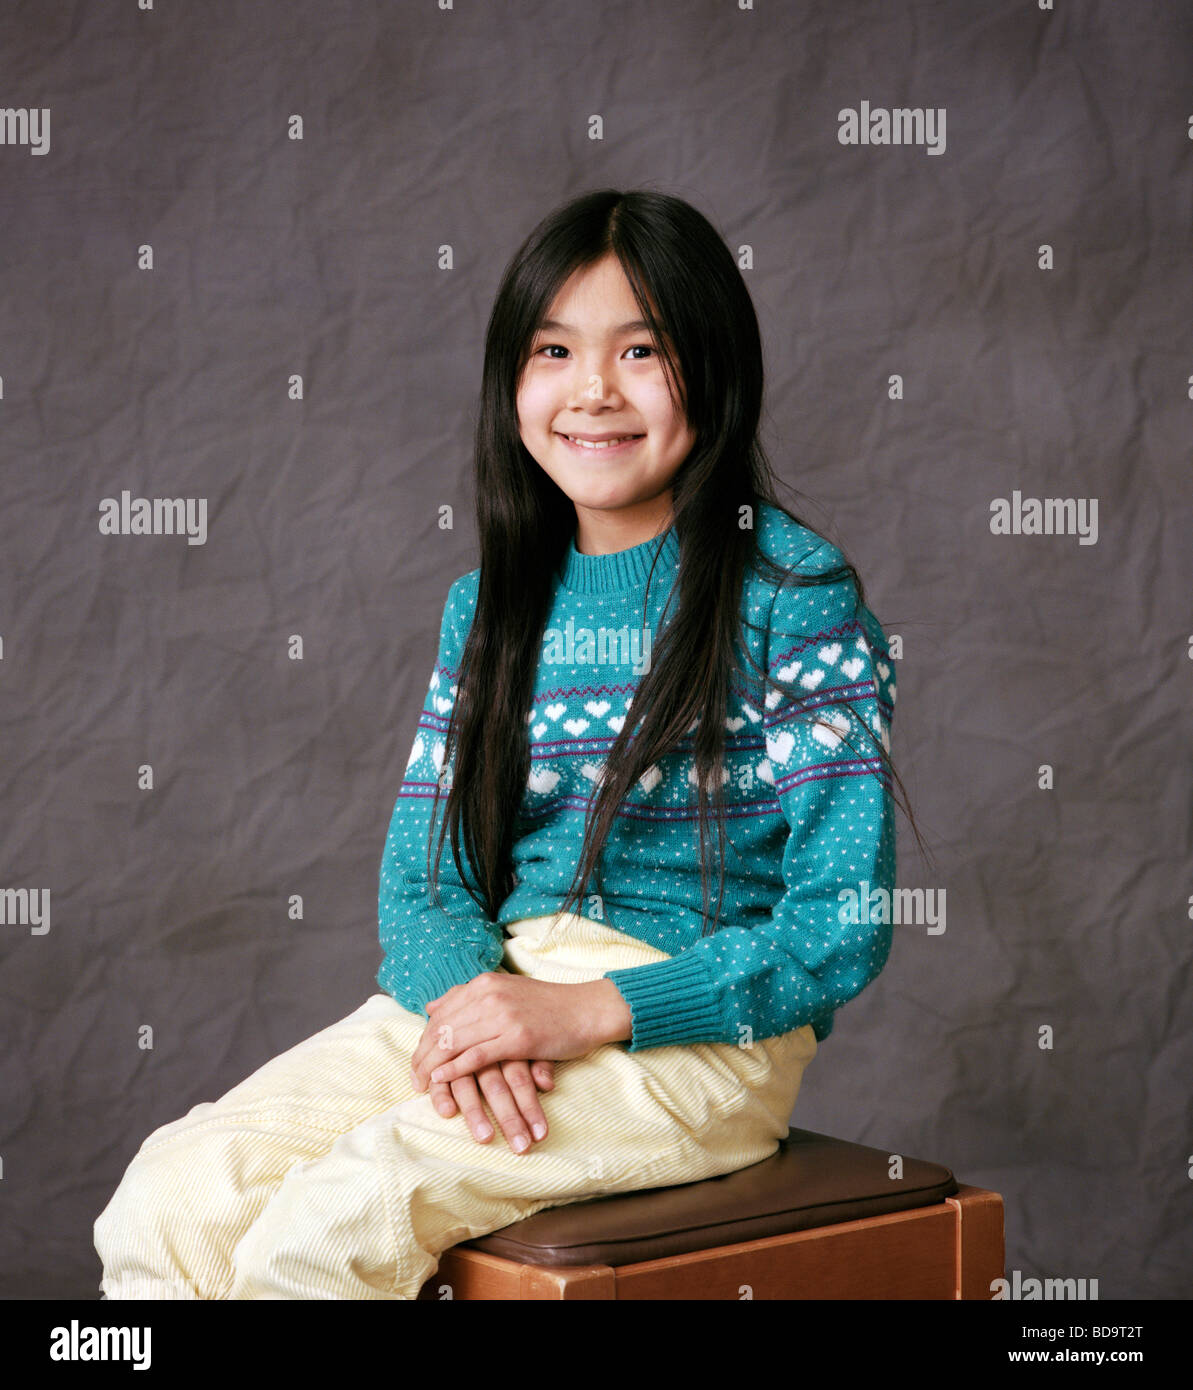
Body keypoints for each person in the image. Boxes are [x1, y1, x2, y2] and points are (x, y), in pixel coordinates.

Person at [94, 188, 913, 1300]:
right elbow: (421, 879)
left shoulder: (789, 590)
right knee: (175, 1189)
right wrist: (489, 1015)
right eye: (552, 349)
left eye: (641, 350)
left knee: (338, 1220)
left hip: (690, 1031)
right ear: (509, 384)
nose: (592, 389)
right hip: (490, 995)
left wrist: (585, 1011)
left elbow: (838, 923)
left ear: (714, 371)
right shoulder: (490, 607)